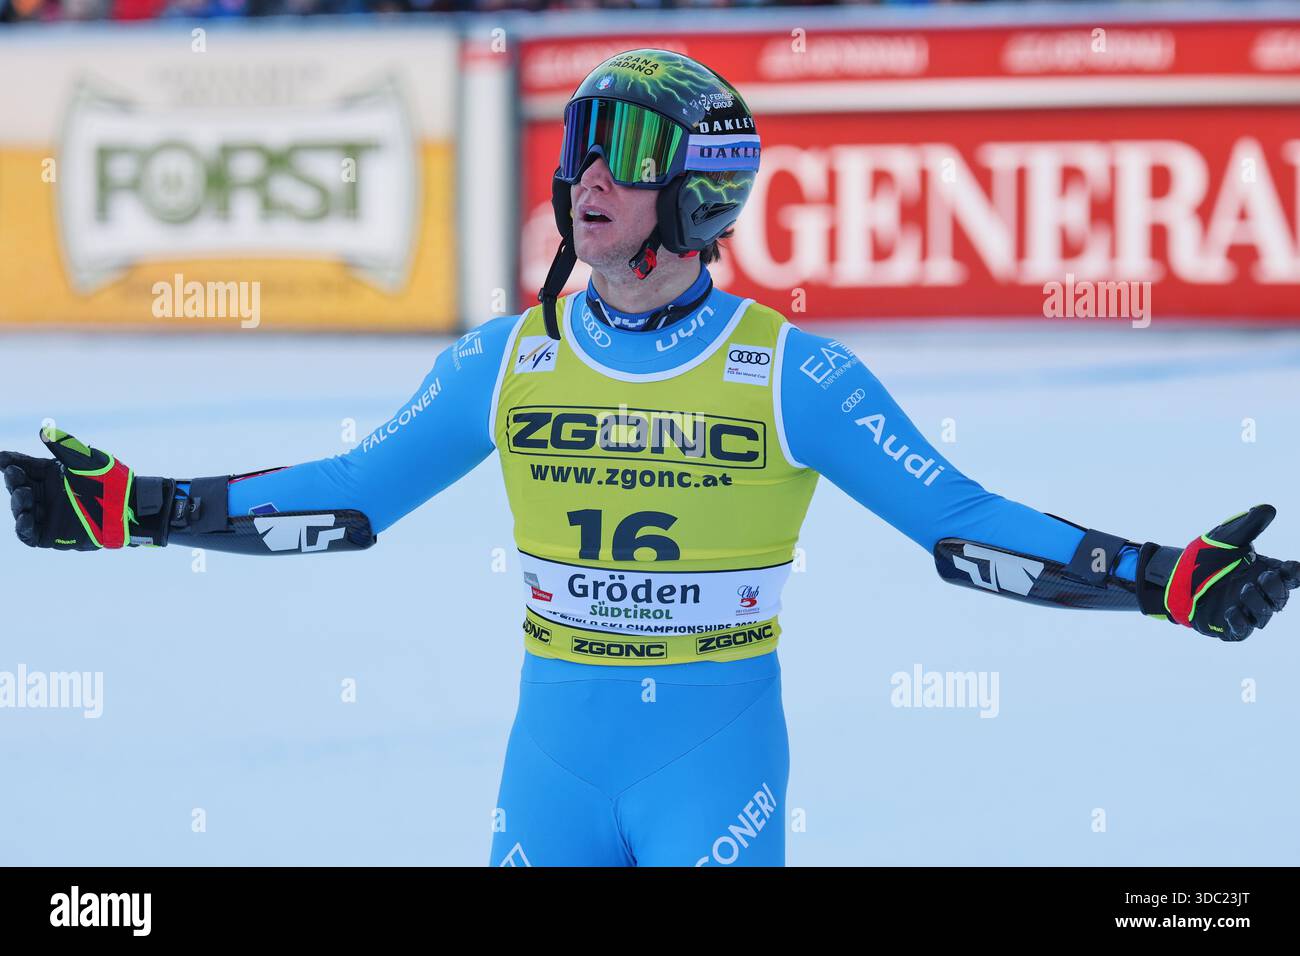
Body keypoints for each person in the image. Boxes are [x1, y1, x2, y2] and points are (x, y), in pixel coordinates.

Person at [2, 48, 1297, 867]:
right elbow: (346, 500)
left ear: (698, 189)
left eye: (621, 153)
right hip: (551, 769)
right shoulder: (505, 360)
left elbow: (959, 525)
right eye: (577, 152)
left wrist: (1160, 578)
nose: (583, 182)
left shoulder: (793, 371)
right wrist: (134, 507)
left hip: (712, 770)